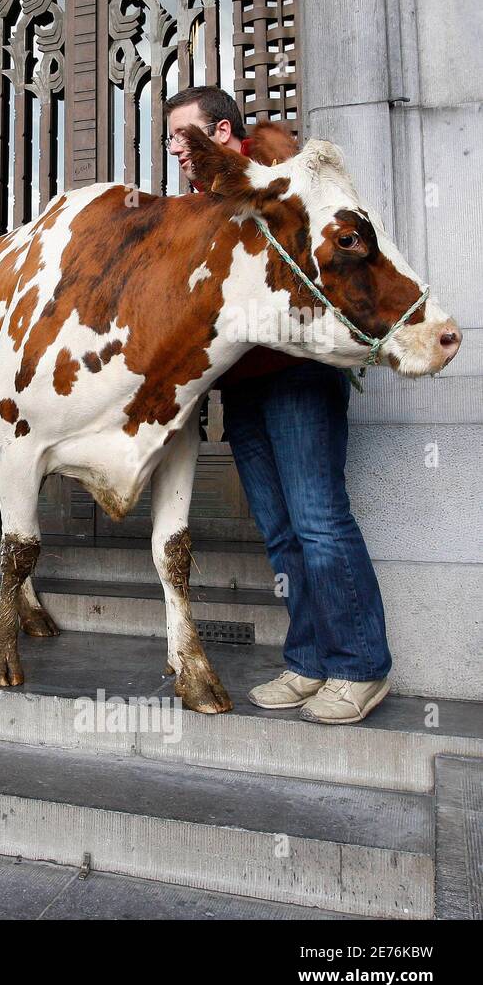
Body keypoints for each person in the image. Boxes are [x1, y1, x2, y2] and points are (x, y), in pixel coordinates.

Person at [164, 87, 393, 724]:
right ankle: (309, 659)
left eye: (188, 136)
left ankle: (360, 666)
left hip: (298, 375)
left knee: (319, 521)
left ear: (226, 133)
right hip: (241, 385)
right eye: (173, 140)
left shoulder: (284, 185)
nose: (178, 150)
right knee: (282, 532)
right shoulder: (197, 208)